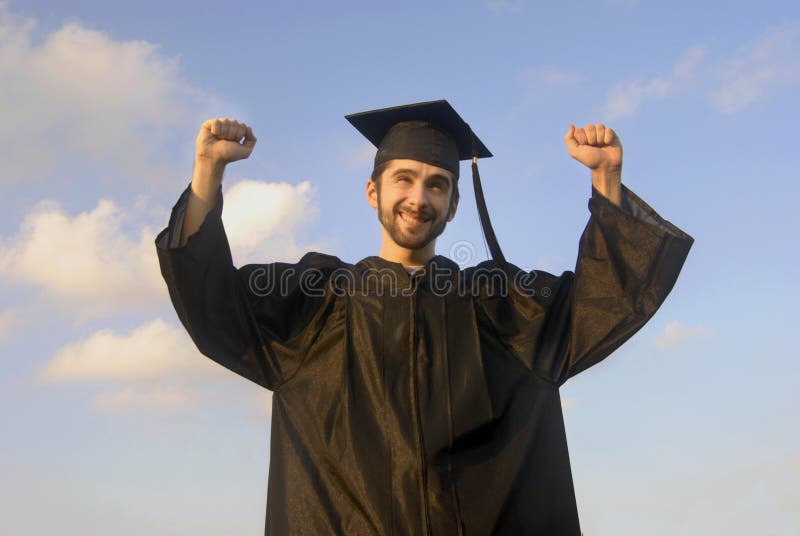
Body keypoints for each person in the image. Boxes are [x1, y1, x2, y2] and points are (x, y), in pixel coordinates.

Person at [156, 101, 693, 535]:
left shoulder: (499, 307)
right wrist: (208, 171)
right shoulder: (315, 305)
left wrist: (607, 179)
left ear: (454, 205)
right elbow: (211, 301)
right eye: (405, 179)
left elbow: (603, 301)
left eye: (437, 184)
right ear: (373, 192)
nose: (419, 197)